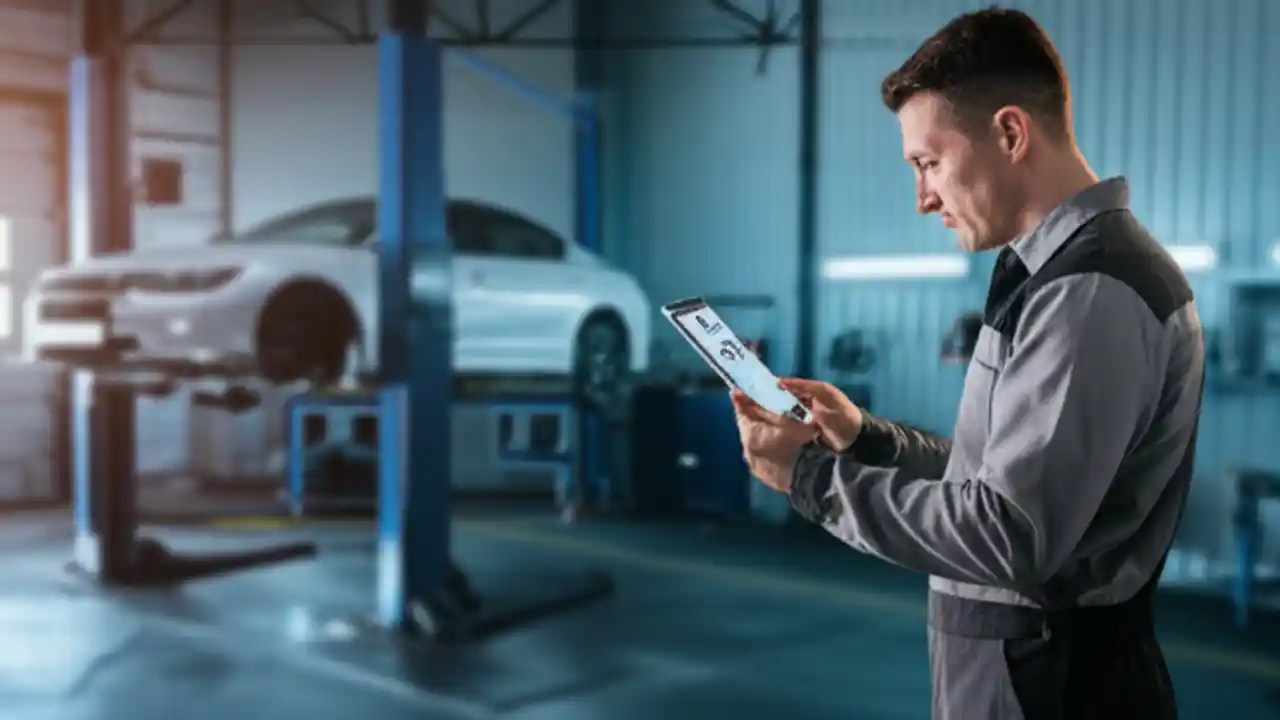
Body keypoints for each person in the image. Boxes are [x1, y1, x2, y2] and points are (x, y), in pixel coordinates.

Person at [732, 7, 1204, 720]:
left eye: (929, 163)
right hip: (1021, 672)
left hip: (1050, 685)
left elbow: (1006, 533)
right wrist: (867, 439)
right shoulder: (1049, 276)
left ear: (1010, 133)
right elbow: (996, 480)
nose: (924, 198)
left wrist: (809, 478)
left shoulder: (1092, 290)